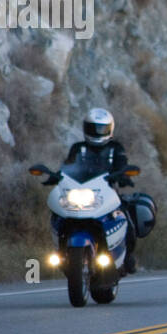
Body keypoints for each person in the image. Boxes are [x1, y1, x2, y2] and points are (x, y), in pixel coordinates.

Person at [62, 108, 139, 273]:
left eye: (101, 129)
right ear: (85, 128)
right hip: (80, 193)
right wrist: (58, 177)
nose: (97, 133)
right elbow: (67, 166)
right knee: (60, 216)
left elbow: (122, 165)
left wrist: (124, 176)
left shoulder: (115, 148)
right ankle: (62, 252)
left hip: (108, 194)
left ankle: (128, 256)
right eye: (93, 128)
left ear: (110, 129)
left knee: (128, 219)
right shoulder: (78, 148)